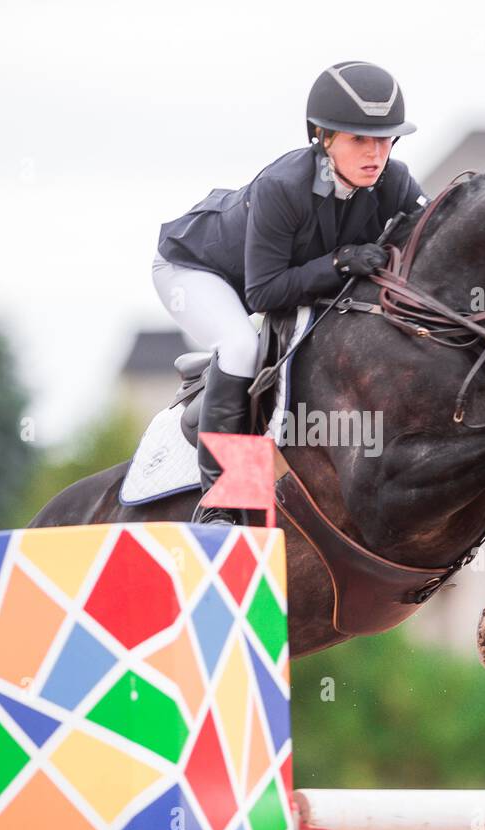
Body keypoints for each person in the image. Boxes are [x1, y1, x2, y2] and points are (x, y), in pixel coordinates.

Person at [153, 61, 428, 524]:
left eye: (384, 139)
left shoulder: (393, 182)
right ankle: (221, 501)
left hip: (271, 279)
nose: (375, 153)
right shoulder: (284, 187)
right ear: (322, 137)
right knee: (239, 345)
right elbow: (264, 293)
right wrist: (339, 262)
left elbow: (431, 237)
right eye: (359, 139)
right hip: (197, 270)